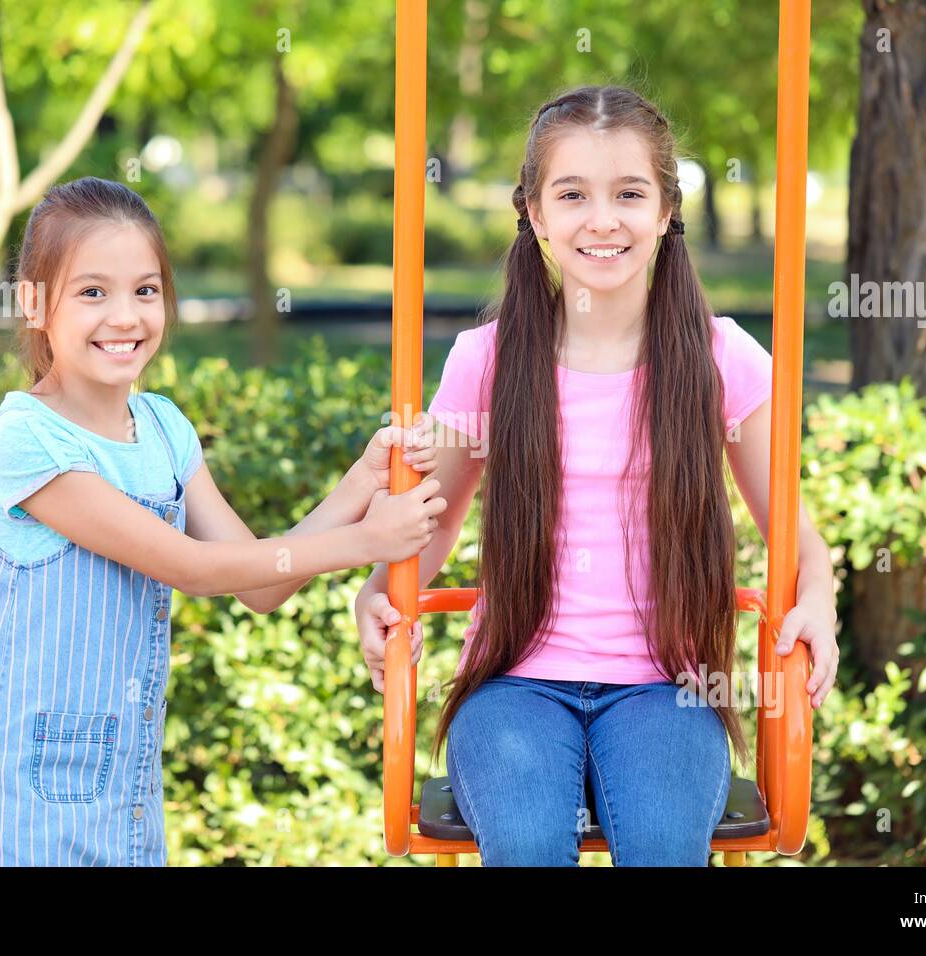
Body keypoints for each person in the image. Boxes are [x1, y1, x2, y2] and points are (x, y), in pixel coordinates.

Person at [353, 86, 839, 867]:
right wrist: (382, 589)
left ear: (667, 210)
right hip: (515, 683)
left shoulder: (723, 359)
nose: (602, 219)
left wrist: (817, 600)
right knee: (523, 843)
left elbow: (794, 533)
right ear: (536, 213)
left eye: (629, 194)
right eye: (572, 194)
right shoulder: (488, 360)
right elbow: (433, 516)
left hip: (667, 688)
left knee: (661, 844)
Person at [0, 176, 445, 866]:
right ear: (32, 302)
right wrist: (366, 540)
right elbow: (193, 568)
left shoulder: (163, 431)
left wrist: (362, 481)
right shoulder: (26, 440)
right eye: (92, 292)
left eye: (145, 291)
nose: (125, 317)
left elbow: (260, 582)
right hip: (26, 796)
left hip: (124, 784)